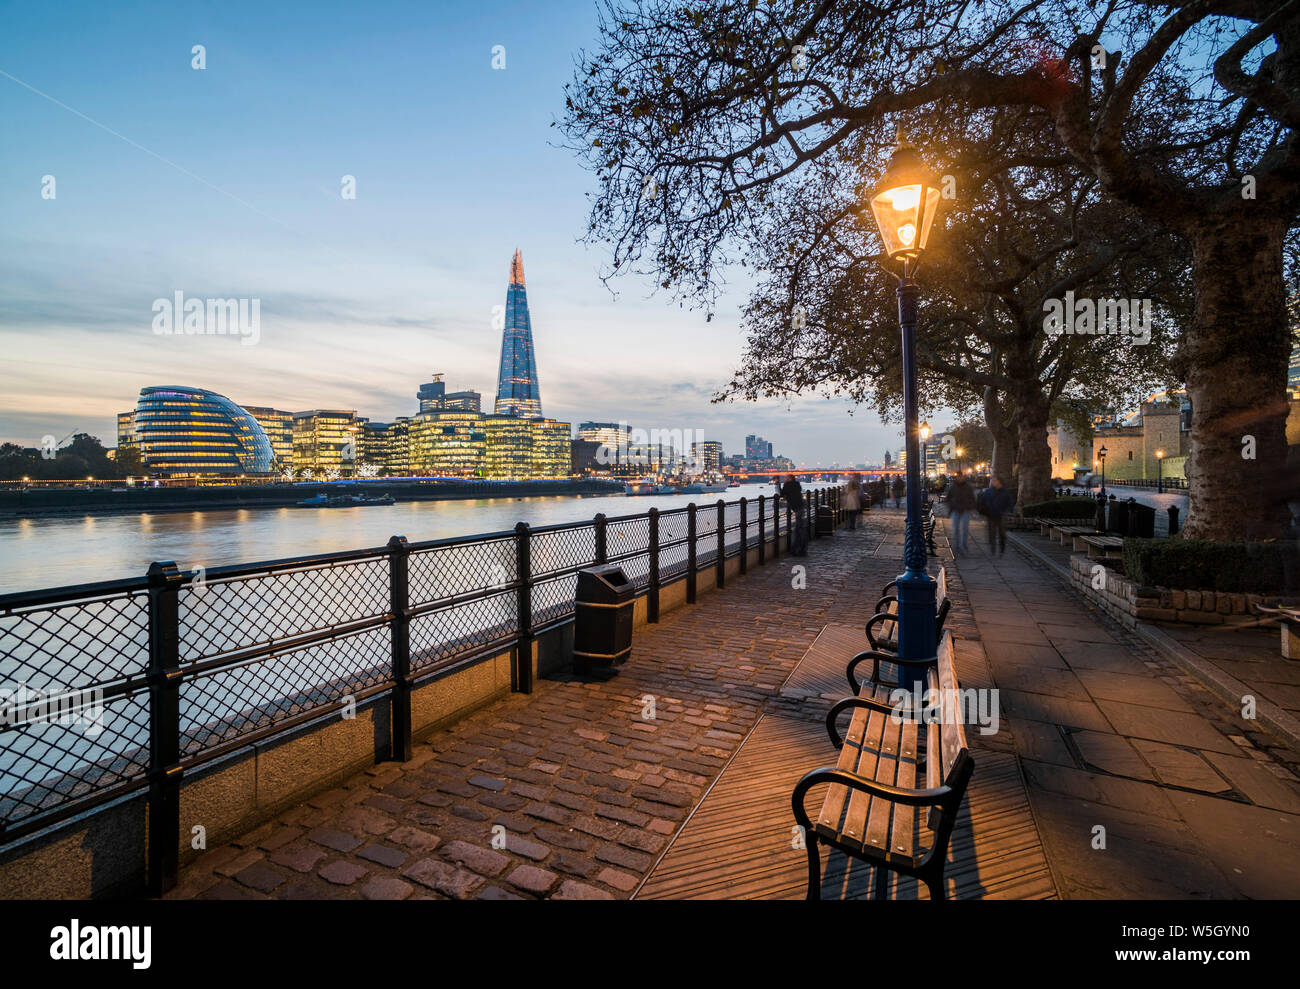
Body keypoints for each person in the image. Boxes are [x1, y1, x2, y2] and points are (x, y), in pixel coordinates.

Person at [978, 475, 1016, 555]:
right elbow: (982, 500)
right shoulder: (989, 491)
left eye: (995, 480)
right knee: (992, 533)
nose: (993, 482)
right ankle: (993, 548)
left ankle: (1002, 548)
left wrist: (1009, 511)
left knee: (1002, 533)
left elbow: (1010, 503)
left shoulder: (1005, 492)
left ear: (999, 482)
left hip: (1001, 515)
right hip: (991, 515)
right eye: (993, 480)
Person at [945, 469, 976, 556]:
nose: (959, 478)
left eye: (960, 476)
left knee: (965, 529)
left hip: (965, 510)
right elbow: (948, 498)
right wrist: (951, 505)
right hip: (955, 510)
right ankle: (958, 546)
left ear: (963, 477)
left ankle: (964, 546)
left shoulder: (968, 487)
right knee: (956, 530)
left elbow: (972, 498)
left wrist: (970, 507)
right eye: (958, 476)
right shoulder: (953, 487)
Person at [777, 474, 808, 556]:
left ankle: (798, 550)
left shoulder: (788, 485)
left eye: (786, 478)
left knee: (798, 530)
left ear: (789, 479)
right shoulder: (797, 484)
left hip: (796, 507)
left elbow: (781, 494)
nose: (785, 479)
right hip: (801, 506)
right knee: (800, 529)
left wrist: (777, 484)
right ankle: (801, 549)